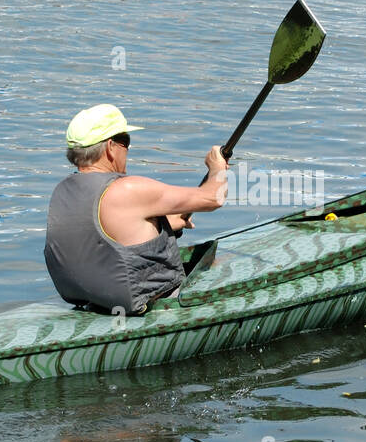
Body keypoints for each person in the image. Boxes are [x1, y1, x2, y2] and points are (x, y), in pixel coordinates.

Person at [44, 104, 228, 314]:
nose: (128, 150)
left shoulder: (62, 191)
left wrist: (165, 225)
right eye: (125, 142)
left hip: (90, 296)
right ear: (110, 147)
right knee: (222, 265)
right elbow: (214, 197)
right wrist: (217, 168)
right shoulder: (128, 188)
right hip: (147, 302)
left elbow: (102, 233)